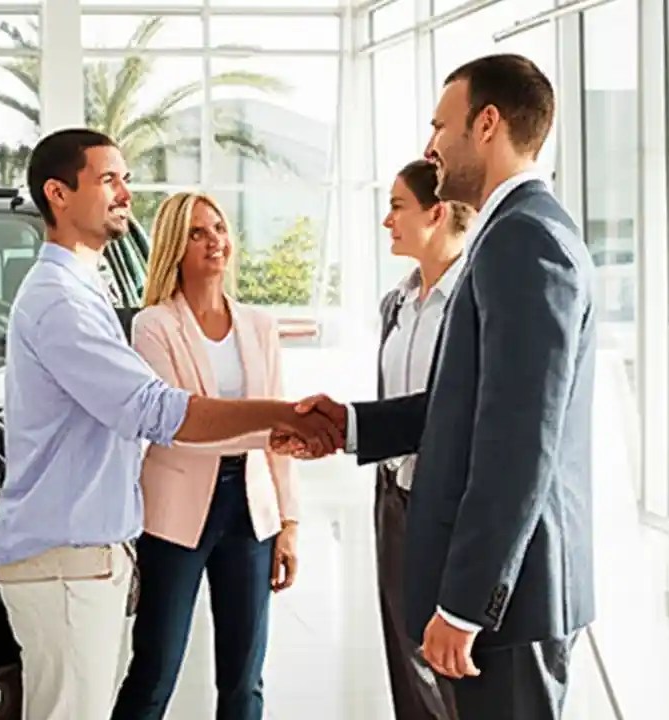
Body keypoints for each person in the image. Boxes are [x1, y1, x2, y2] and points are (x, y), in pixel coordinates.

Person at [275, 53, 596, 720]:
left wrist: (467, 603)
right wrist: (353, 425)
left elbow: (518, 443)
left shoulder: (523, 239)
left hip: (511, 600)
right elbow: (470, 405)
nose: (430, 146)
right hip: (510, 595)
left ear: (486, 124)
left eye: (439, 125)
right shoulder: (509, 234)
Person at [0, 128, 341, 720]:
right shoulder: (62, 302)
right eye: (109, 180)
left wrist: (286, 508)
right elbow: (156, 411)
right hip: (69, 557)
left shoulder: (82, 288)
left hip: (88, 553)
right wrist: (284, 416)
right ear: (58, 193)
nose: (126, 192)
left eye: (125, 178)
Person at [111, 192, 300, 720]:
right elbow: (178, 426)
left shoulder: (260, 326)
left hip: (250, 508)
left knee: (244, 678)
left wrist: (288, 521)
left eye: (218, 228)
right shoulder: (153, 326)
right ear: (174, 246)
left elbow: (279, 435)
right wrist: (267, 427)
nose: (215, 240)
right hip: (175, 515)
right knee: (156, 668)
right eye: (197, 232)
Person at [371, 159, 475, 719]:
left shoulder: (473, 302)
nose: (387, 220)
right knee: (404, 652)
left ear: (435, 213)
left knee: (452, 661)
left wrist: (349, 427)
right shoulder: (396, 304)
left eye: (397, 206)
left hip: (449, 506)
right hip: (395, 497)